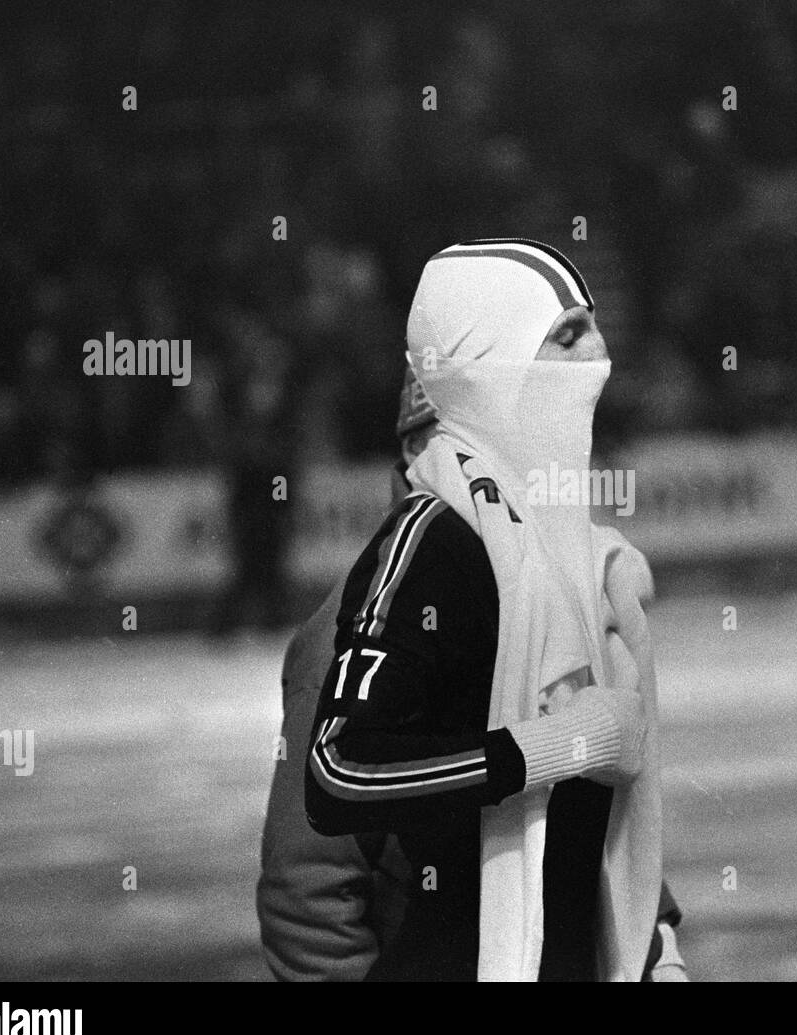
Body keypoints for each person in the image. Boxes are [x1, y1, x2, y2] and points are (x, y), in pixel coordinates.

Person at [261, 239, 684, 980]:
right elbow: (310, 891)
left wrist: (658, 955)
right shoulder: (368, 612)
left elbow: (597, 828)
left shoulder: (581, 580)